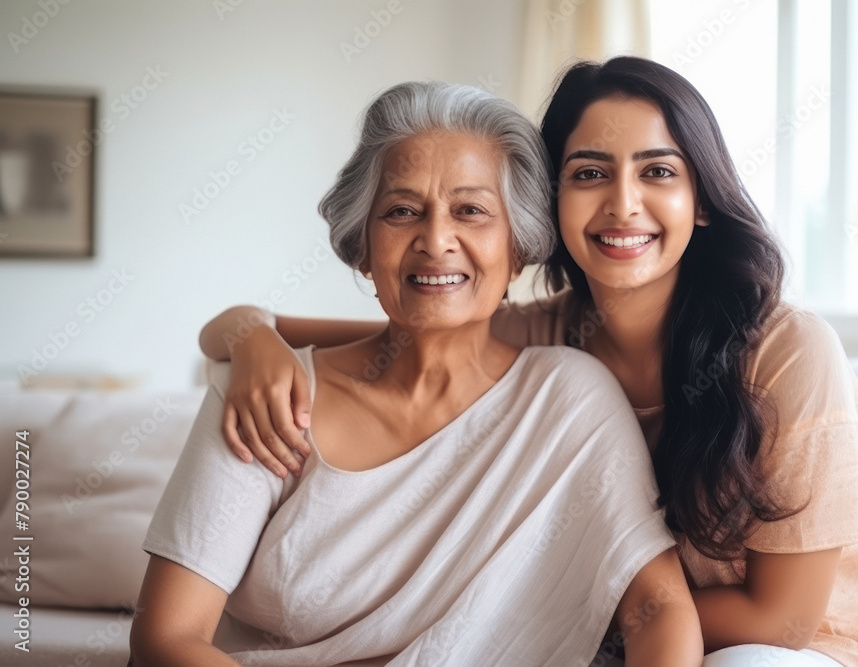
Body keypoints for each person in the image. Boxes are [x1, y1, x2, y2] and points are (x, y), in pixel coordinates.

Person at [198, 59, 858, 666]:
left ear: (701, 198)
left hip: (849, 651)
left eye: (658, 171)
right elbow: (347, 328)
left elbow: (778, 620)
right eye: (589, 173)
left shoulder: (785, 351)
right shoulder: (544, 341)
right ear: (547, 208)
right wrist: (250, 338)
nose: (622, 204)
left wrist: (557, 612)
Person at [129, 80, 703, 667]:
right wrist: (251, 337)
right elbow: (166, 640)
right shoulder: (266, 395)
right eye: (402, 212)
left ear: (520, 247)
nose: (435, 241)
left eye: (471, 211)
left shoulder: (569, 398)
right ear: (362, 246)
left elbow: (655, 609)